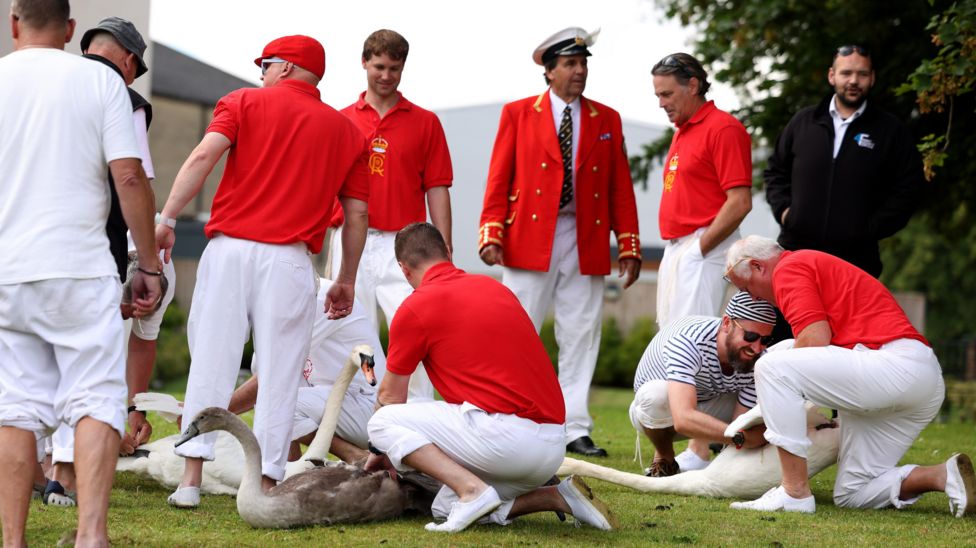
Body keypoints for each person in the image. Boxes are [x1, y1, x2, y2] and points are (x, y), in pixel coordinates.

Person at [156, 35, 370, 509]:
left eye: (266, 65)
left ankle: (190, 479)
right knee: (280, 371)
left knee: (211, 359)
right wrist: (347, 277)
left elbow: (202, 157)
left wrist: (167, 218)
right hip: (290, 259)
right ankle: (268, 482)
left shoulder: (241, 102)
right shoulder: (348, 131)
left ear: (288, 67)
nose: (262, 73)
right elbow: (355, 215)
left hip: (230, 249)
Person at [0, 0, 160, 545]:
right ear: (70, 30)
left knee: (15, 409)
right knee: (95, 399)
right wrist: (150, 264)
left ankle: (14, 540)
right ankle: (91, 535)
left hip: (8, 271)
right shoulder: (100, 83)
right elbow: (130, 178)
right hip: (81, 266)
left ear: (13, 23)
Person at [366, 223, 618, 533]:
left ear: (404, 271)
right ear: (447, 253)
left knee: (382, 422)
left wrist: (379, 448)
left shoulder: (415, 307)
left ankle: (473, 491)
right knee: (445, 506)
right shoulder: (495, 287)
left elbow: (391, 399)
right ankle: (556, 497)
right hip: (552, 446)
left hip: (507, 442)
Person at [478, 26, 641, 458]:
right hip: (529, 235)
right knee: (518, 328)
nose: (579, 71)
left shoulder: (606, 118)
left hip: (584, 235)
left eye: (583, 63)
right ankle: (510, 416)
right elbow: (500, 175)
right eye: (570, 64)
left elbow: (619, 185)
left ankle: (574, 426)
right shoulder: (517, 113)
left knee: (581, 332)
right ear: (549, 71)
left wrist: (628, 243)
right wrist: (492, 231)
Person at [724, 235, 974, 516]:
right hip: (920, 379)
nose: (754, 297)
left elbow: (815, 339)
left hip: (892, 366)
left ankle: (793, 493)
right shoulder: (807, 263)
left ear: (758, 266)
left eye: (747, 288)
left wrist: (774, 405)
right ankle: (944, 476)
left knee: (772, 365)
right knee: (853, 493)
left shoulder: (788, 267)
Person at [43, 15, 174, 507]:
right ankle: (66, 476)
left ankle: (45, 471)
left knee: (35, 369)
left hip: (30, 247)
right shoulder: (123, 97)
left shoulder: (46, 87)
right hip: (96, 249)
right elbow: (134, 177)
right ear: (129, 62)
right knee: (90, 368)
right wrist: (148, 262)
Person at [329, 29, 453, 402]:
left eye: (394, 68)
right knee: (350, 329)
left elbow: (438, 187)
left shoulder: (426, 121)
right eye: (379, 66)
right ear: (364, 62)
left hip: (406, 243)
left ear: (403, 69)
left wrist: (444, 248)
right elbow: (322, 184)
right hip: (350, 237)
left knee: (413, 325)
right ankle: (361, 408)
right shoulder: (339, 119)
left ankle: (416, 412)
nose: (386, 75)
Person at [764, 45, 924, 279]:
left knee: (844, 318)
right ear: (832, 76)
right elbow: (775, 171)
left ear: (872, 78)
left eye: (862, 74)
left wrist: (869, 230)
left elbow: (909, 189)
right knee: (790, 317)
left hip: (857, 264)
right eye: (846, 73)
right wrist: (787, 213)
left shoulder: (890, 131)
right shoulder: (803, 122)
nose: (854, 81)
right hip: (796, 254)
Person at [228, 278, 387, 463]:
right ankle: (289, 466)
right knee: (262, 365)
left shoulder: (322, 302)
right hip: (339, 402)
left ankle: (353, 455)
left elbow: (270, 380)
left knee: (275, 401)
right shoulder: (284, 300)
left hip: (370, 411)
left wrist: (213, 414)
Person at [651, 52, 752, 328]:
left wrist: (699, 249)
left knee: (690, 339)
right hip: (677, 247)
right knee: (670, 339)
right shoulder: (682, 130)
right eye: (658, 95)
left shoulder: (723, 128)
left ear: (693, 86)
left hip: (705, 246)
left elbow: (740, 202)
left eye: (667, 94)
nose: (661, 103)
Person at [630, 291, 776, 477]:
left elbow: (742, 423)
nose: (756, 348)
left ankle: (712, 465)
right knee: (656, 396)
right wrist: (742, 438)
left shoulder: (759, 358)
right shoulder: (689, 341)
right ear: (726, 324)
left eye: (765, 340)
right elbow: (683, 419)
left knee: (779, 358)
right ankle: (665, 458)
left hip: (705, 400)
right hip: (655, 414)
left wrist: (743, 436)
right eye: (750, 336)